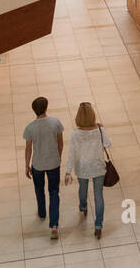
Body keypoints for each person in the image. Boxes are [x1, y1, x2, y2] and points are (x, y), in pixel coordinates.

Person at [65, 102, 111, 239]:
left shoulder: (75, 134)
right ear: (92, 115)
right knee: (98, 196)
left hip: (82, 167)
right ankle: (98, 225)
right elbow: (108, 144)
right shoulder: (99, 130)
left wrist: (68, 171)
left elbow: (71, 153)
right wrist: (102, 129)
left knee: (83, 189)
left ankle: (83, 206)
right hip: (97, 166)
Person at [23, 96, 64, 241]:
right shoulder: (55, 123)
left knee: (39, 190)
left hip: (38, 165)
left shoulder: (30, 128)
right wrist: (58, 157)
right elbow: (60, 143)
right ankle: (54, 225)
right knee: (54, 192)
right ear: (46, 107)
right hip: (53, 163)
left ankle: (42, 212)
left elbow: (28, 149)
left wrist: (27, 165)